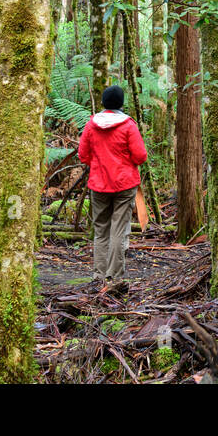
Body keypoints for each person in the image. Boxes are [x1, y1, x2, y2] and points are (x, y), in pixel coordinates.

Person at [77, 85, 148, 290]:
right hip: (124, 184)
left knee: (101, 230)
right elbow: (140, 156)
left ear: (103, 103)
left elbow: (83, 155)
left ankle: (99, 275)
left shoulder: (91, 125)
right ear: (121, 103)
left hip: (99, 184)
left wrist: (99, 165)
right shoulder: (128, 125)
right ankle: (114, 277)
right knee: (118, 229)